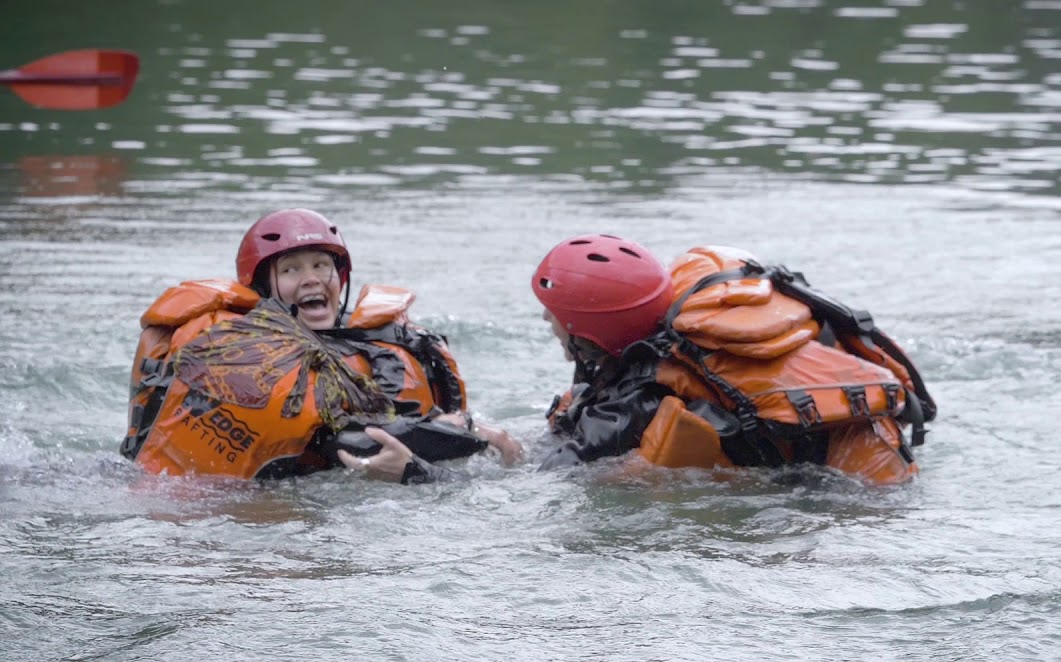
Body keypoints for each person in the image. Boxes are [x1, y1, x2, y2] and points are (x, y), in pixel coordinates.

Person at [121, 208, 521, 484]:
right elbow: (352, 439)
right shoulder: (248, 354)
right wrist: (473, 434)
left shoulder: (374, 342)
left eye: (321, 265)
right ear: (263, 287)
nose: (311, 278)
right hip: (233, 503)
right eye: (291, 269)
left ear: (340, 277)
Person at [531, 235, 936, 485]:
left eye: (553, 312)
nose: (547, 319)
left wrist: (494, 447)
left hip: (847, 500)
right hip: (881, 463)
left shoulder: (636, 397)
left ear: (587, 331)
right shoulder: (675, 349)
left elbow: (557, 477)